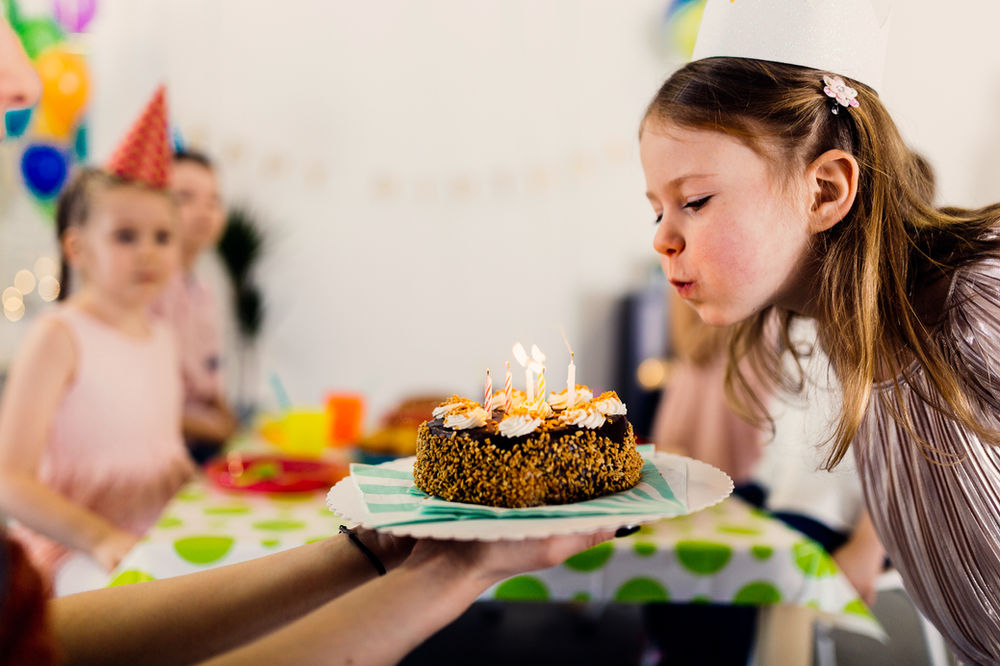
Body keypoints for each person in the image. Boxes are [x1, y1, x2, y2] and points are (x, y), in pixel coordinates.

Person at [640, 1, 1000, 662]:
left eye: (693, 201)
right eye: (657, 209)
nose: (662, 238)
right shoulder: (844, 338)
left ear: (825, 191)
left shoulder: (978, 301)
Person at [0, 86, 197, 594]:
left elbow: (159, 449)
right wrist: (98, 536)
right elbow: (9, 481)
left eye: (162, 237)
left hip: (157, 530)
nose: (148, 253)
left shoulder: (163, 336)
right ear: (77, 248)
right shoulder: (59, 337)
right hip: (74, 548)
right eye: (126, 236)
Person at [154, 148, 237, 464]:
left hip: (204, 440)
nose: (204, 211)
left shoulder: (203, 289)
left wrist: (227, 419)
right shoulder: (149, 289)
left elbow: (210, 374)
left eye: (214, 201)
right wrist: (215, 428)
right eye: (185, 198)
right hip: (166, 446)